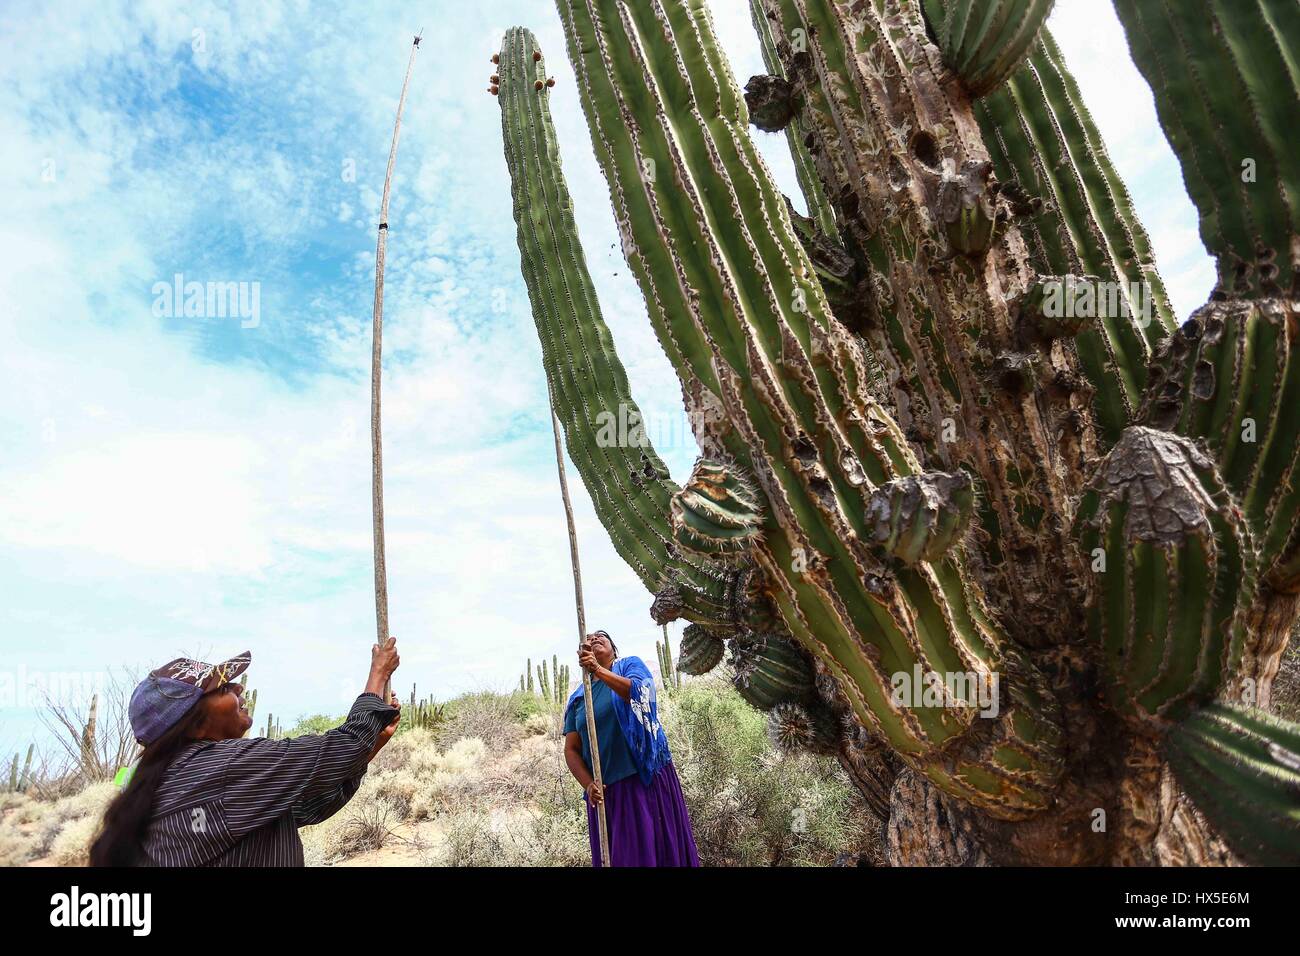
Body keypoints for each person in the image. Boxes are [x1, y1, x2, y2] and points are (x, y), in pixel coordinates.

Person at [89, 638, 402, 866]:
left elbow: (300, 809)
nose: (238, 688)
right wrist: (377, 676)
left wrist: (372, 743)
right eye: (223, 689)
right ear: (195, 726)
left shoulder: (171, 781)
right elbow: (340, 750)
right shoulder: (222, 767)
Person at [562, 629, 698, 867]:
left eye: (600, 635)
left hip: (644, 780)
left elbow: (639, 695)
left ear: (613, 648)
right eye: (589, 638)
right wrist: (588, 784)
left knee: (660, 852)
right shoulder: (578, 698)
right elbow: (571, 749)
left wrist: (598, 670)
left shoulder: (628, 666)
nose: (594, 638)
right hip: (609, 793)